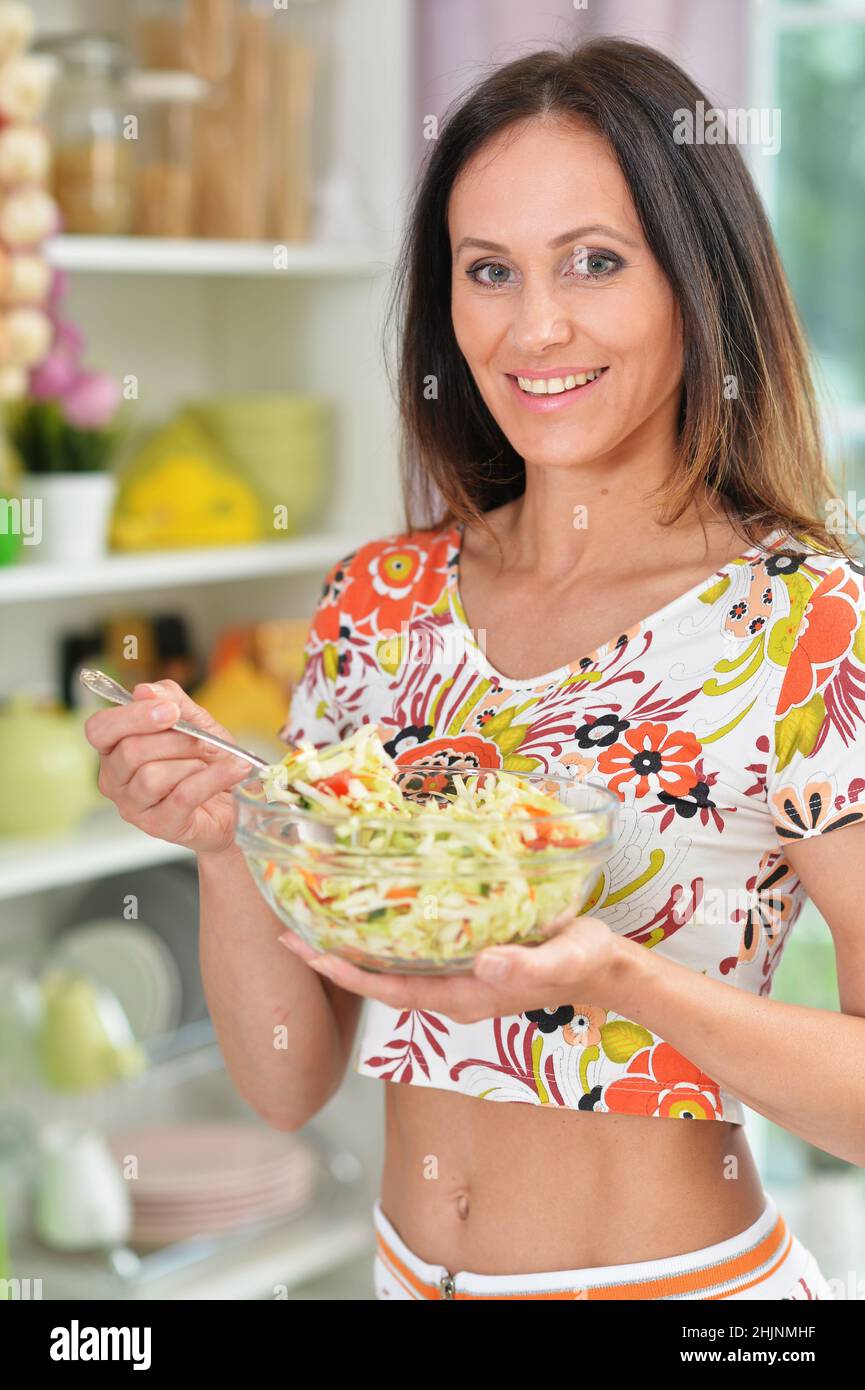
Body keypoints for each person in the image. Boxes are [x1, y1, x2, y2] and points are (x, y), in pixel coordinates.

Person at [85, 38, 865, 1301]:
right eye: (487, 270)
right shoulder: (377, 604)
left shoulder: (800, 622)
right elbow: (288, 1081)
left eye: (594, 262)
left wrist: (614, 972)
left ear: (694, 280)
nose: (532, 325)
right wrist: (229, 837)